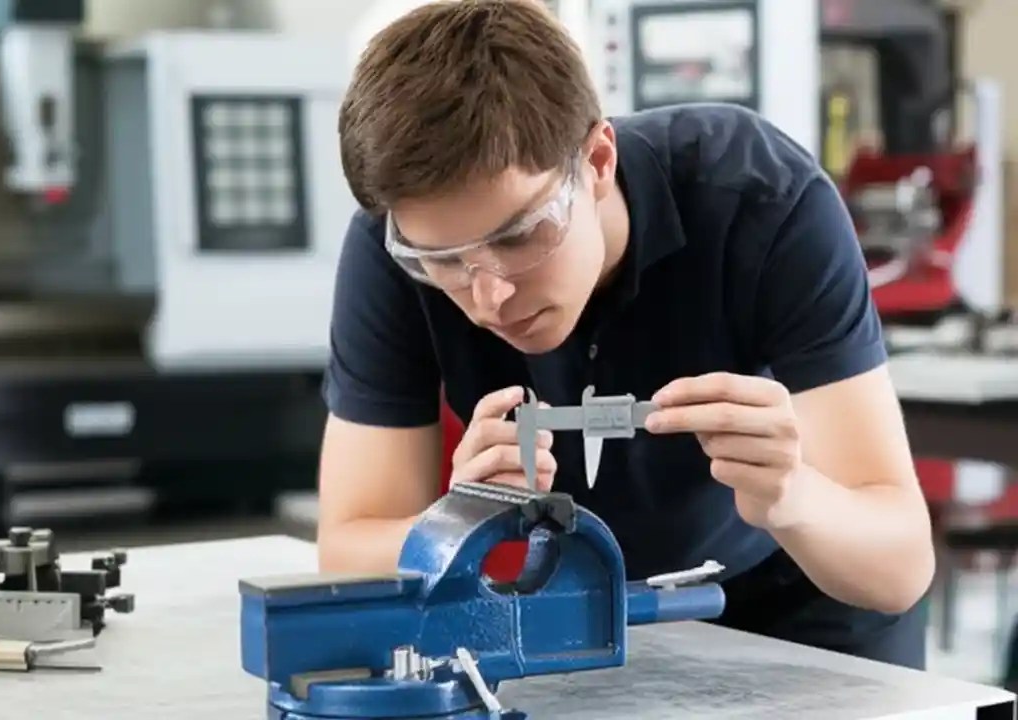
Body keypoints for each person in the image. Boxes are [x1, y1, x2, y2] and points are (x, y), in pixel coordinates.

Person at [315, 0, 935, 669]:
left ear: (598, 158)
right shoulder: (393, 249)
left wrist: (793, 496)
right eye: (443, 260)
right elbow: (345, 550)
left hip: (801, 610)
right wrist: (451, 525)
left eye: (518, 235)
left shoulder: (765, 200)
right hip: (577, 615)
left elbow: (898, 567)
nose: (487, 295)